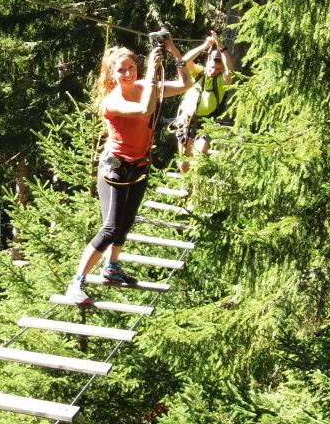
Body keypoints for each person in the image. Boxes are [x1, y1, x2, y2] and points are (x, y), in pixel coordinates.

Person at [63, 35, 193, 305]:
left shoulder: (147, 86)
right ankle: (77, 281)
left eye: (130, 68)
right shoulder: (112, 100)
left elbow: (185, 84)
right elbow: (145, 107)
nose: (126, 73)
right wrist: (150, 72)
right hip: (115, 170)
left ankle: (111, 268)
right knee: (110, 228)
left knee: (126, 224)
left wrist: (173, 51)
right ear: (112, 72)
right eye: (120, 69)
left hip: (139, 166)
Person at [174, 30, 233, 172]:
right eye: (212, 67)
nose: (214, 71)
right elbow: (183, 62)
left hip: (205, 122)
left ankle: (195, 186)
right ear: (207, 62)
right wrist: (204, 46)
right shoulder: (197, 72)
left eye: (218, 69)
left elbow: (229, 71)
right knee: (184, 160)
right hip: (186, 120)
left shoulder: (221, 81)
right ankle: (185, 186)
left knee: (200, 155)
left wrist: (221, 47)